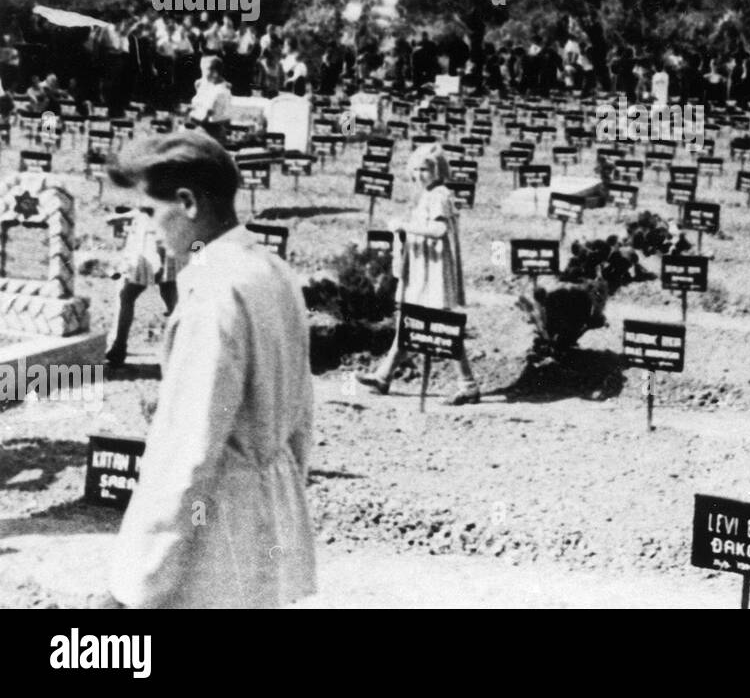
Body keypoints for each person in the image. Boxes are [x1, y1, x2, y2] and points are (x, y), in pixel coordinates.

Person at [103, 131, 315, 608]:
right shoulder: (273, 271)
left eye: (149, 212)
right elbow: (302, 419)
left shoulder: (213, 293)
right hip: (269, 518)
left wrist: (134, 584)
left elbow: (188, 449)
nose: (145, 227)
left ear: (187, 203)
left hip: (214, 532)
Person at [357, 145, 479, 403]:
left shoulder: (440, 195)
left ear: (438, 170)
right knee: (412, 320)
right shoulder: (425, 195)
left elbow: (438, 230)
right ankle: (384, 376)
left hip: (434, 268)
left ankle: (468, 385)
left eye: (426, 169)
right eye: (417, 169)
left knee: (441, 324)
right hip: (423, 265)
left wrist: (405, 226)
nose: (421, 174)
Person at [104, 206, 178, 368]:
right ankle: (119, 347)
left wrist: (197, 264)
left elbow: (197, 239)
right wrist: (125, 216)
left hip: (157, 248)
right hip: (154, 245)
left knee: (128, 295)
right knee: (171, 300)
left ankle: (119, 348)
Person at [188, 55, 232, 144]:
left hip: (211, 132)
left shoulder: (220, 92)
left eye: (205, 70)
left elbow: (205, 116)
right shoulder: (205, 85)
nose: (202, 73)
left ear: (215, 72)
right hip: (201, 127)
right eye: (202, 69)